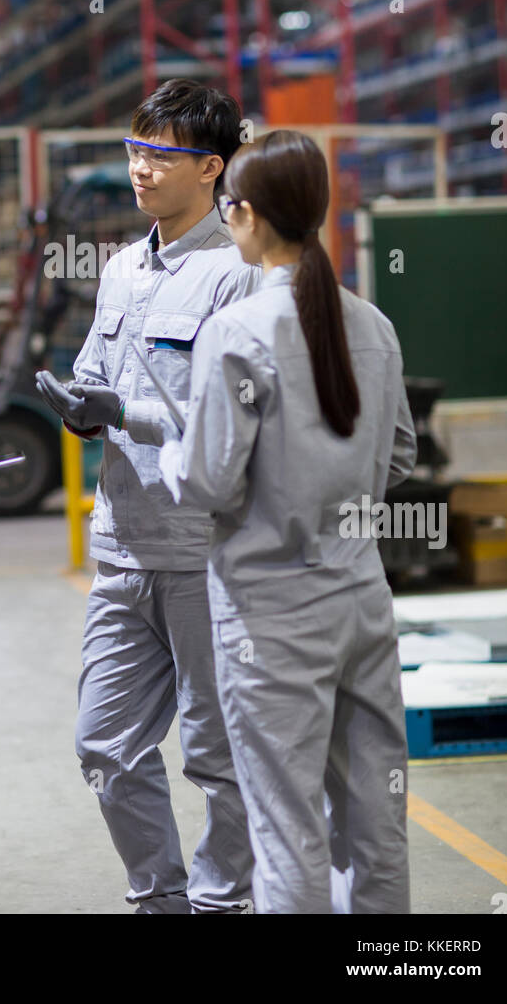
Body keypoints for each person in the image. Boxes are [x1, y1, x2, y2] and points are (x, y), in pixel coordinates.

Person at [157, 129, 417, 914]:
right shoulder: (371, 326)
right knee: (376, 821)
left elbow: (205, 481)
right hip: (362, 603)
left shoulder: (238, 333)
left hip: (271, 618)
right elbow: (398, 455)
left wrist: (165, 445)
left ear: (245, 215)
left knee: (286, 828)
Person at [36, 78, 262, 914]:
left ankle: (221, 901)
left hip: (204, 552)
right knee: (104, 743)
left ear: (211, 169)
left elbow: (236, 416)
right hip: (121, 547)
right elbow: (98, 370)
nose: (139, 168)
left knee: (217, 752)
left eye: (158, 155)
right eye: (133, 150)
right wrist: (78, 401)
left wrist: (123, 409)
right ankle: (159, 897)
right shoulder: (125, 268)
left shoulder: (239, 275)